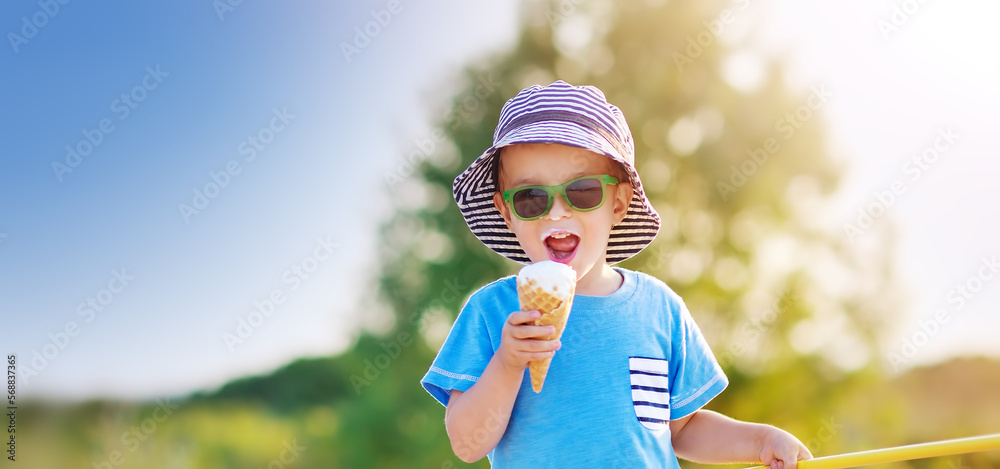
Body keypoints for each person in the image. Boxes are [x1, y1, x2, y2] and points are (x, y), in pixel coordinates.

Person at [420, 80, 812, 468]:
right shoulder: (491, 311)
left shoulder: (659, 308)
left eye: (583, 191)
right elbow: (466, 444)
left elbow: (682, 429)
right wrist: (507, 362)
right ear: (506, 212)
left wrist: (761, 440)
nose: (556, 212)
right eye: (531, 197)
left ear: (619, 203)